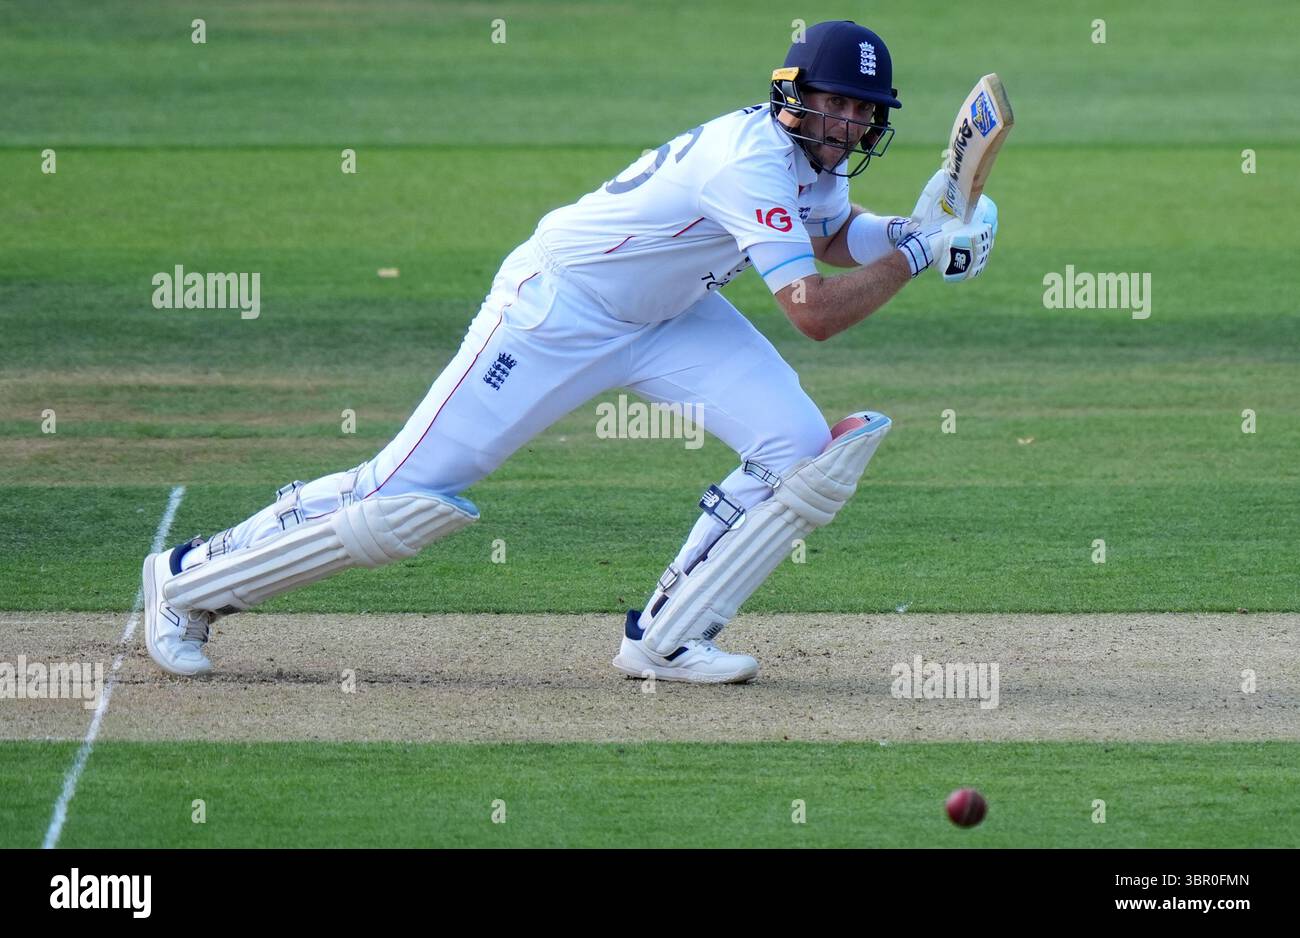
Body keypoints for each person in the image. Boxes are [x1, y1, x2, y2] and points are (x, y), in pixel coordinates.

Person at [142, 20, 997, 684]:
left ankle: (666, 641)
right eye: (834, 102)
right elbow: (811, 311)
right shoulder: (748, 161)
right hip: (558, 313)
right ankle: (185, 585)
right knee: (399, 501)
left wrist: (916, 229)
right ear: (793, 94)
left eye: (860, 110)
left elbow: (838, 233)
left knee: (802, 451)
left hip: (672, 315)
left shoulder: (816, 158)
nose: (847, 122)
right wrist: (918, 256)